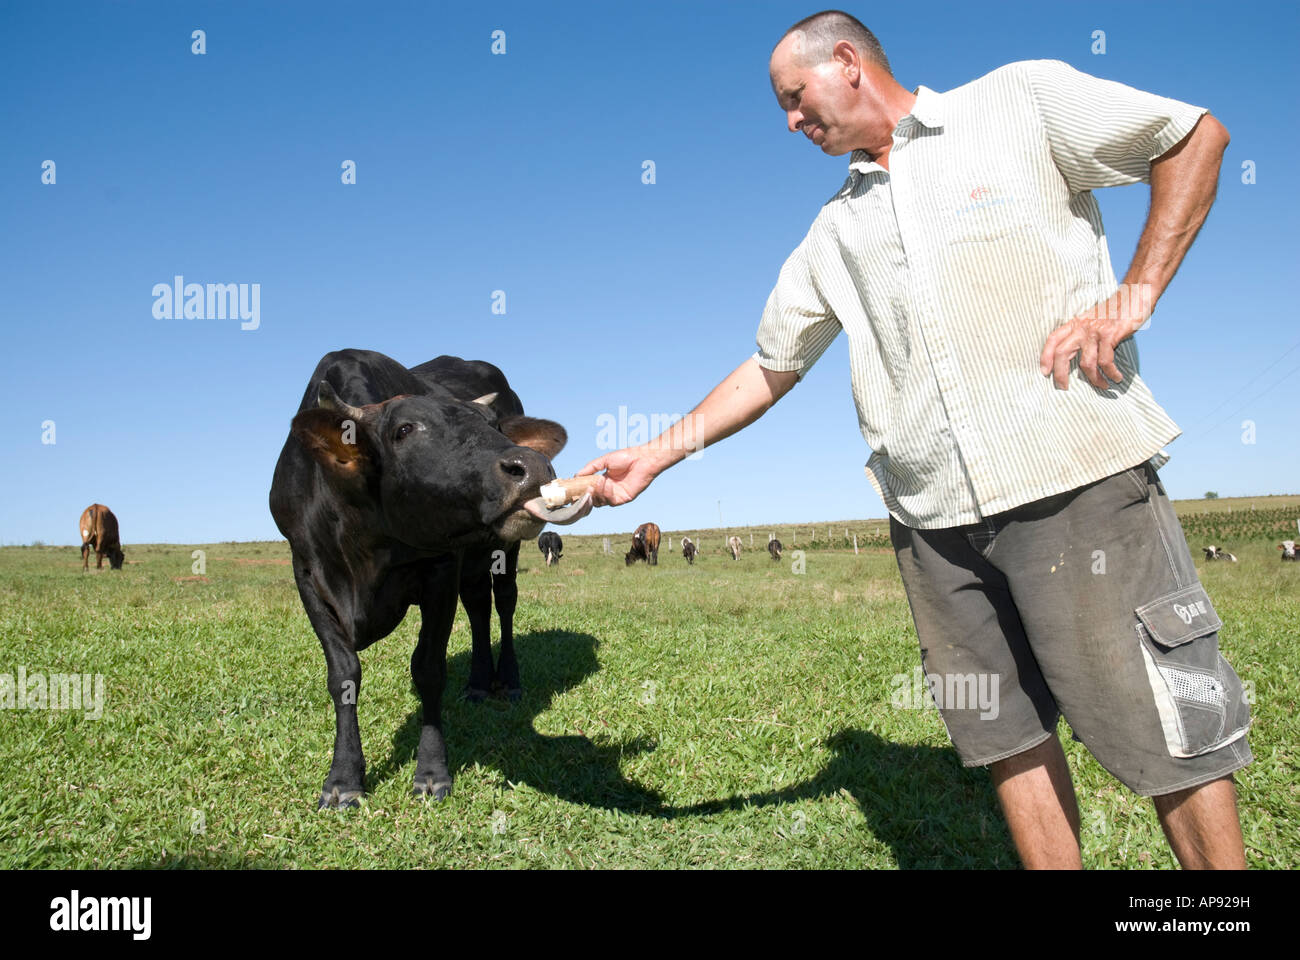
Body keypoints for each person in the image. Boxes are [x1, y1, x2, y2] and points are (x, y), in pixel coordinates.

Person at [578, 10, 1252, 869]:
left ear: (847, 63)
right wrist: (655, 453)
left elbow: (1192, 136)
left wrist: (1138, 290)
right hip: (935, 526)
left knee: (1167, 722)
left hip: (1075, 477)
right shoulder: (833, 232)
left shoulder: (1017, 103)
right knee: (1003, 735)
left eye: (794, 99)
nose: (789, 122)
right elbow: (768, 366)